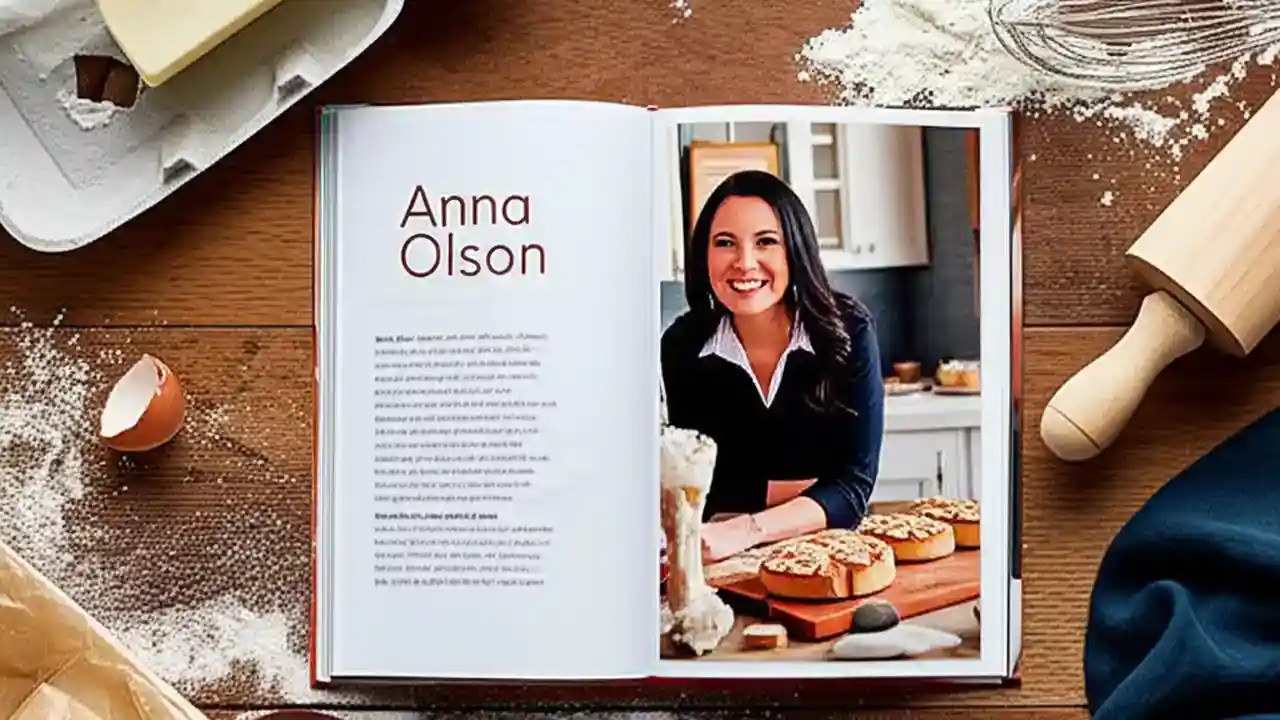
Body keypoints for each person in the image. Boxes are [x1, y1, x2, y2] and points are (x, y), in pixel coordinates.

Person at [661, 169, 885, 564]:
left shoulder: (847, 331)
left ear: (793, 251)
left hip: (829, 554)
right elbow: (702, 486)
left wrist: (748, 526)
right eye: (725, 243)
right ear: (704, 254)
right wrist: (810, 493)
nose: (744, 263)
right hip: (720, 559)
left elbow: (852, 489)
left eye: (766, 242)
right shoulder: (683, 346)